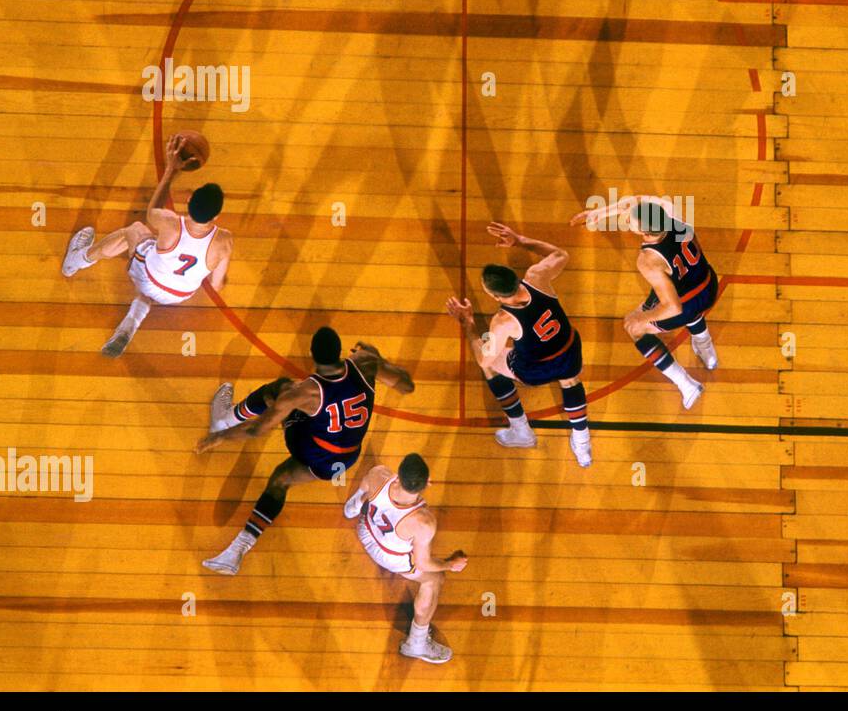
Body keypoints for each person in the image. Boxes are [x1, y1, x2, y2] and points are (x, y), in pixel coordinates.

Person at [196, 327, 415, 575]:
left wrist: (220, 436)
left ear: (312, 354)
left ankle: (223, 419)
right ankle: (237, 551)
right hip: (345, 458)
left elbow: (257, 430)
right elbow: (407, 386)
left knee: (279, 391)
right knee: (282, 477)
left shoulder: (307, 391)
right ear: (340, 350)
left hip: (313, 451)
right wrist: (378, 359)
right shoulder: (365, 363)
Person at [62, 133, 233, 357]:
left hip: (149, 277)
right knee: (156, 270)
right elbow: (218, 285)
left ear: (189, 201)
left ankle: (75, 260)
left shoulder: (171, 223)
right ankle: (130, 323)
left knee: (134, 230)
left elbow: (152, 212)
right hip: (179, 294)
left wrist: (171, 170)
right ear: (217, 215)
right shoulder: (225, 241)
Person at [445, 222, 592, 467]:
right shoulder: (537, 278)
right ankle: (583, 442)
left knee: (488, 365)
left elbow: (485, 357)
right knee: (570, 381)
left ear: (495, 296)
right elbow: (561, 254)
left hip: (535, 369)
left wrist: (469, 323)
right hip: (569, 350)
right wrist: (521, 240)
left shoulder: (503, 321)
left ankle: (521, 430)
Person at [572, 194, 717, 408]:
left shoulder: (648, 260)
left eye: (631, 222)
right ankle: (707, 350)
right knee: (686, 296)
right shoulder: (671, 213)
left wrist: (641, 318)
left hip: (685, 302)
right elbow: (636, 201)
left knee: (633, 326)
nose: (627, 220)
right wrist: (598, 213)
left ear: (644, 233)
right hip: (708, 284)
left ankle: (686, 384)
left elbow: (673, 306)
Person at [344, 454, 468, 663]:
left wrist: (355, 506)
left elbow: (364, 487)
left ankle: (350, 509)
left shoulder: (379, 474)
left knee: (357, 505)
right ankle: (416, 644)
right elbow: (423, 563)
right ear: (427, 483)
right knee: (434, 579)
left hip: (366, 530)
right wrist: (449, 564)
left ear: (398, 474)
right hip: (389, 555)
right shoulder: (423, 521)